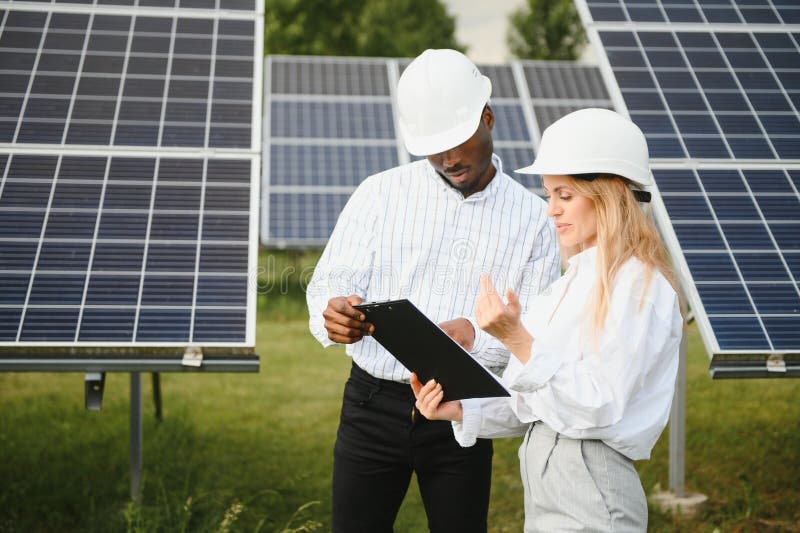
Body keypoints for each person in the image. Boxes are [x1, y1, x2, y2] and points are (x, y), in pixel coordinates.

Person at [306, 48, 560, 533]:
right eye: (433, 146)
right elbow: (331, 281)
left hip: (463, 409)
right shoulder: (379, 194)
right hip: (370, 407)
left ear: (487, 117)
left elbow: (535, 334)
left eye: (457, 141)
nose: (447, 158)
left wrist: (476, 336)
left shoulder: (533, 219)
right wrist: (333, 311)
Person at [411, 108, 684, 532]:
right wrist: (462, 409)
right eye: (548, 194)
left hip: (592, 484)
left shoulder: (639, 286)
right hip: (546, 482)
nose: (550, 210)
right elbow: (537, 405)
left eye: (565, 195)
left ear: (610, 193)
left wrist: (517, 338)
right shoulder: (571, 282)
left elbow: (598, 407)